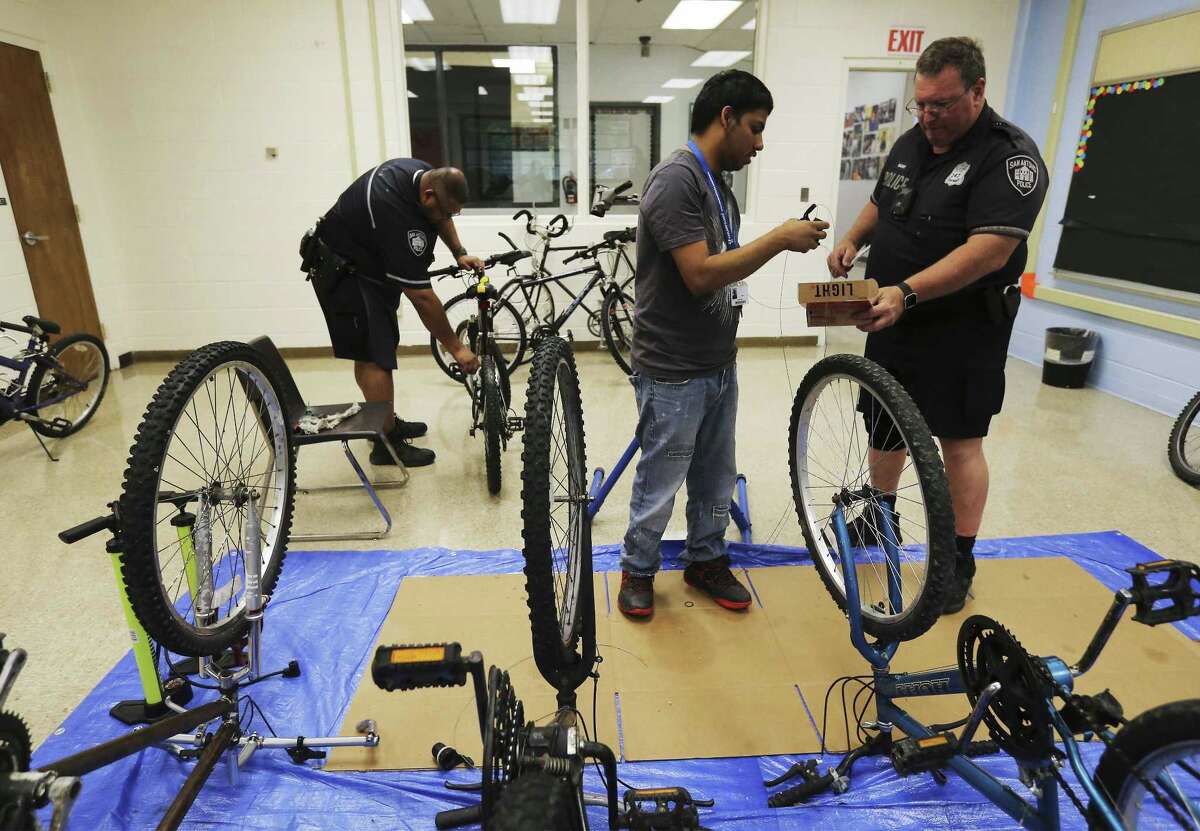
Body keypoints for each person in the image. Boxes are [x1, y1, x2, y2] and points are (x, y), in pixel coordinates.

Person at [827, 37, 1049, 613]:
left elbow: (990, 250)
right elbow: (884, 199)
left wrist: (908, 292)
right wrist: (853, 238)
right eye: (920, 104)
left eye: (941, 104)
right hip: (893, 315)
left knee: (958, 441)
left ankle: (956, 559)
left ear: (977, 91)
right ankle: (880, 518)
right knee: (883, 423)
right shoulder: (912, 141)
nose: (928, 116)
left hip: (963, 326)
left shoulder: (1009, 158)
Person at [617, 70, 829, 618]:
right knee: (662, 478)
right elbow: (700, 274)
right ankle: (638, 569)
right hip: (673, 368)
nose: (760, 143)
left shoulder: (718, 186)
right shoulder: (676, 181)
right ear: (726, 118)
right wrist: (778, 239)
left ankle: (706, 559)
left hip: (716, 362)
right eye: (756, 128)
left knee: (715, 477)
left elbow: (724, 263)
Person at [303, 161, 482, 467]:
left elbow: (441, 219)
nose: (448, 218)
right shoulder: (393, 210)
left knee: (376, 348)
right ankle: (385, 445)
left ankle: (382, 422)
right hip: (344, 272)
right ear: (428, 196)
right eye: (446, 212)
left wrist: (459, 252)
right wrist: (456, 348)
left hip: (364, 267)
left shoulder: (424, 177)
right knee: (375, 356)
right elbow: (422, 297)